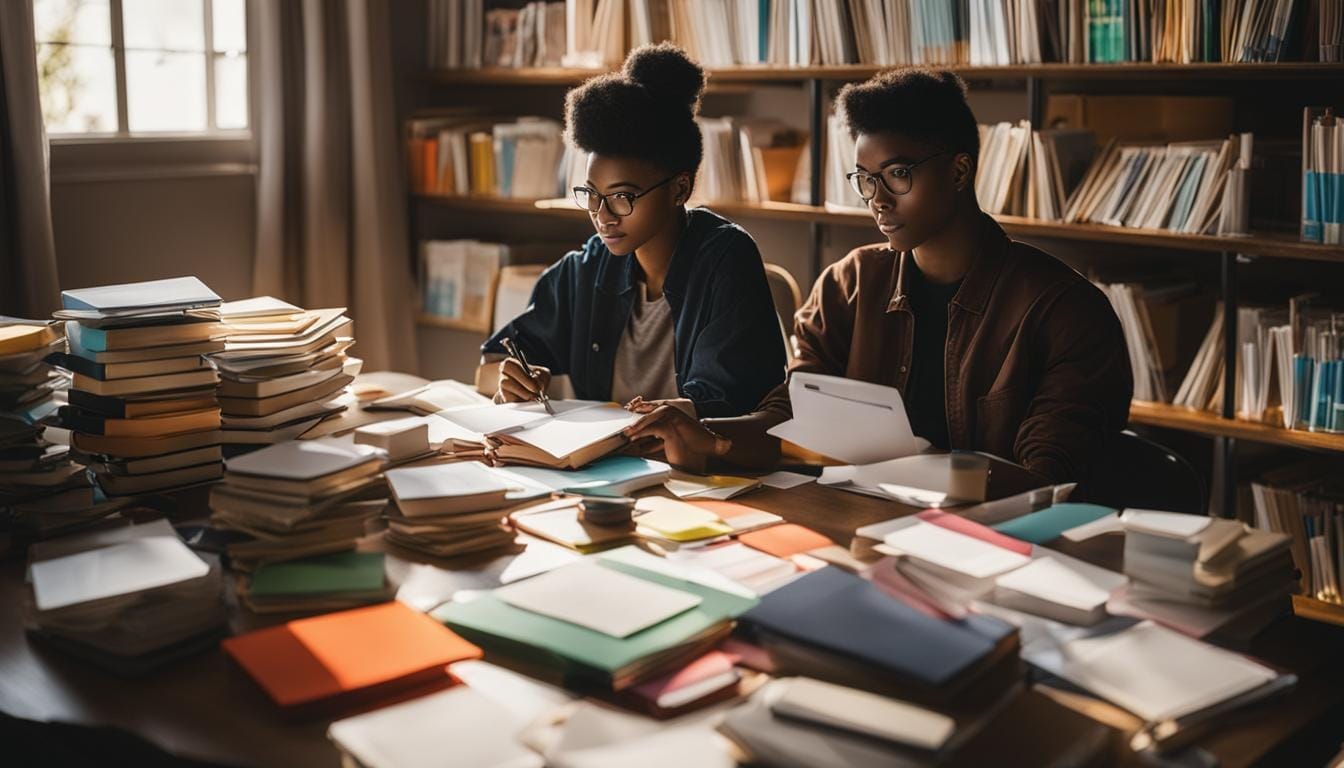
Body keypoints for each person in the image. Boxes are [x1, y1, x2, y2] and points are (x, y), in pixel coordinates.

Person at [625, 67, 1133, 488]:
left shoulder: (1067, 312)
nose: (877, 200)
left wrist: (922, 465)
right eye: (865, 181)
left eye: (897, 175)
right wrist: (708, 432)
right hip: (864, 531)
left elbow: (1050, 484)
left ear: (959, 173)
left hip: (1000, 558)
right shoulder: (850, 284)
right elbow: (793, 411)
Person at [479, 43, 786, 419]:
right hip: (605, 467)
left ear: (680, 189)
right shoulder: (589, 266)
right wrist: (509, 378)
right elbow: (489, 367)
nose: (602, 215)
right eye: (591, 195)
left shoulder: (725, 260)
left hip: (701, 472)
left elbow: (723, 408)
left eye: (622, 196)